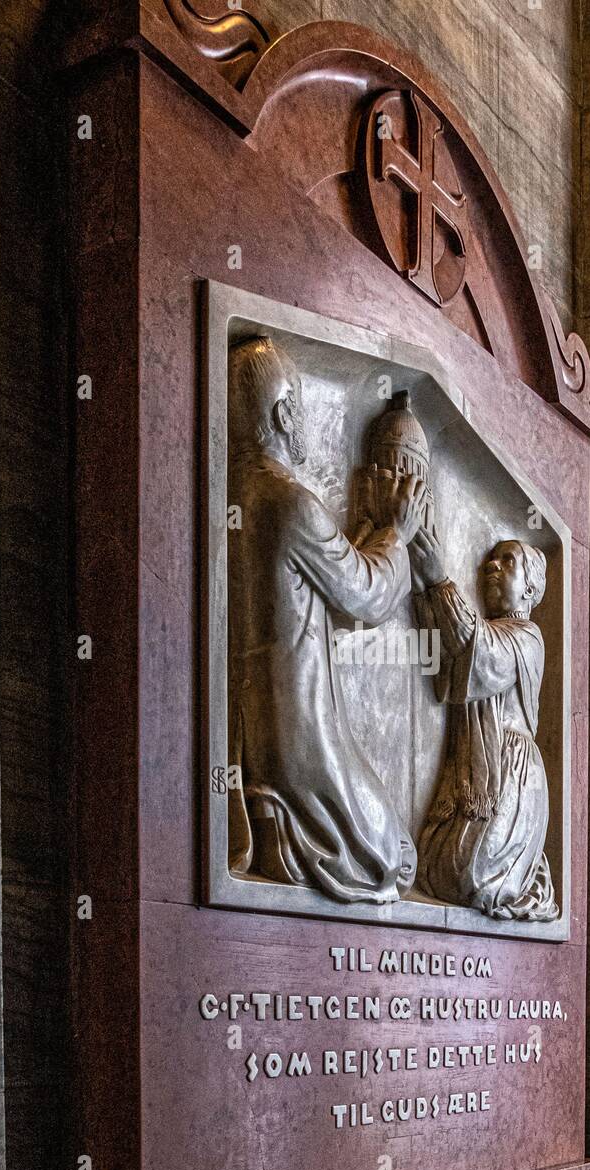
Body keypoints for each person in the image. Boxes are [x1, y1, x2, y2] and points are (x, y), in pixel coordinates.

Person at [228, 336, 428, 905]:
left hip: (254, 732)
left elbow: (327, 597)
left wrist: (367, 536)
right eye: (302, 410)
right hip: (297, 732)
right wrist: (398, 532)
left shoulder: (231, 494)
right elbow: (366, 597)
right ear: (285, 414)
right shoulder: (289, 502)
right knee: (395, 857)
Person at [409, 529, 558, 921]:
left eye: (508, 560)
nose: (492, 565)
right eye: (490, 559)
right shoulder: (492, 631)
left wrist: (439, 580)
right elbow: (449, 652)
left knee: (469, 877)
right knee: (437, 868)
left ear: (529, 589)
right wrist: (424, 586)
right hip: (475, 767)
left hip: (510, 771)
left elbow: (484, 654)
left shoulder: (528, 638)